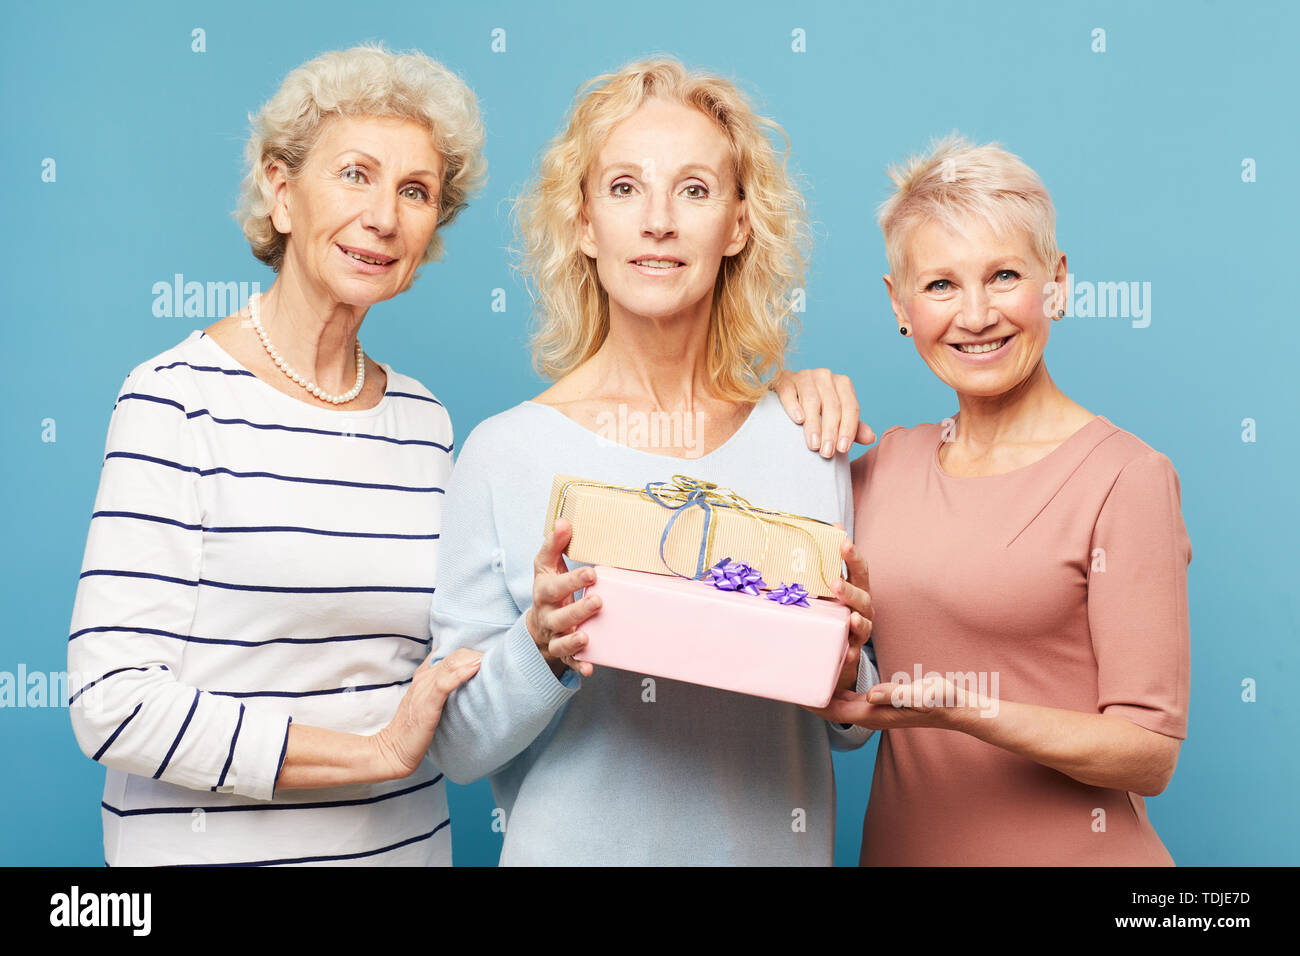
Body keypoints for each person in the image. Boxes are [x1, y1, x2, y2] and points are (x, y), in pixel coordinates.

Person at [426, 58, 878, 866]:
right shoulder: (504, 454)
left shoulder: (811, 440)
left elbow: (847, 722)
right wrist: (541, 647)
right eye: (626, 188)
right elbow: (457, 748)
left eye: (695, 189)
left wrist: (849, 667)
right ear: (583, 223)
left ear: (739, 224)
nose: (659, 221)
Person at [66, 43, 487, 866]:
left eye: (415, 191)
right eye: (355, 174)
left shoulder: (427, 422)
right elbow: (111, 703)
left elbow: (444, 671)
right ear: (281, 190)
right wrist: (370, 753)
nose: (383, 216)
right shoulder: (177, 399)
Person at [823, 135, 1191, 865]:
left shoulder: (1125, 476)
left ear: (1055, 282)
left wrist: (968, 710)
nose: (977, 314)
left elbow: (1148, 753)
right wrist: (787, 392)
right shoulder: (878, 469)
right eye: (940, 285)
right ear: (899, 304)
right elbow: (846, 699)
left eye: (1003, 276)